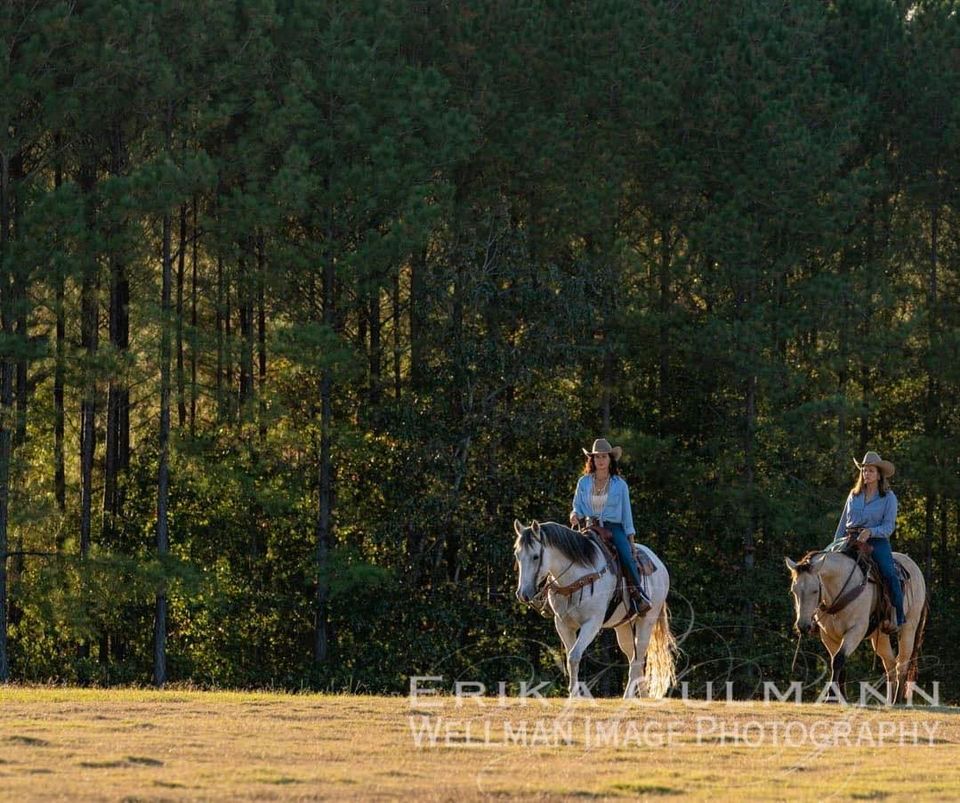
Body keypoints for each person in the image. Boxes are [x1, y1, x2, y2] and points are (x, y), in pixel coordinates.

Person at [569, 438, 651, 616]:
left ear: (610, 459)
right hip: (589, 527)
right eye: (597, 456)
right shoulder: (583, 482)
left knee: (626, 556)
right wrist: (574, 515)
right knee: (568, 553)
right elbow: (577, 506)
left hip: (613, 528)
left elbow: (626, 514)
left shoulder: (620, 485)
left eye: (604, 456)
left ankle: (637, 595)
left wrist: (630, 539)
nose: (600, 460)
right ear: (592, 459)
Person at [828, 451, 905, 632]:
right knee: (821, 566)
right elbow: (842, 524)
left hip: (876, 542)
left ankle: (898, 615)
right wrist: (833, 546)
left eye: (870, 471)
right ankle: (818, 616)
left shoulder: (888, 498)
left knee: (888, 572)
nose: (866, 474)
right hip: (849, 539)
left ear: (879, 475)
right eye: (864, 470)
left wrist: (870, 532)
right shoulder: (854, 495)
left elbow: (888, 527)